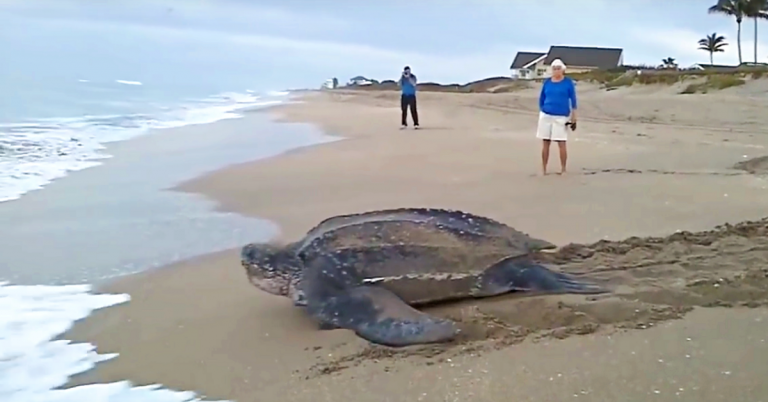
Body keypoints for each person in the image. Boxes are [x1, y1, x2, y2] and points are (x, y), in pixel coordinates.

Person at [536, 58, 577, 175]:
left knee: (561, 142)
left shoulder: (568, 82)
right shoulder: (547, 82)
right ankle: (543, 169)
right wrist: (543, 109)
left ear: (563, 69)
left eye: (558, 68)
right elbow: (542, 98)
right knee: (545, 142)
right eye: (554, 68)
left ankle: (563, 169)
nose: (556, 70)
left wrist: (574, 117)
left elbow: (573, 100)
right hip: (546, 115)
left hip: (561, 116)